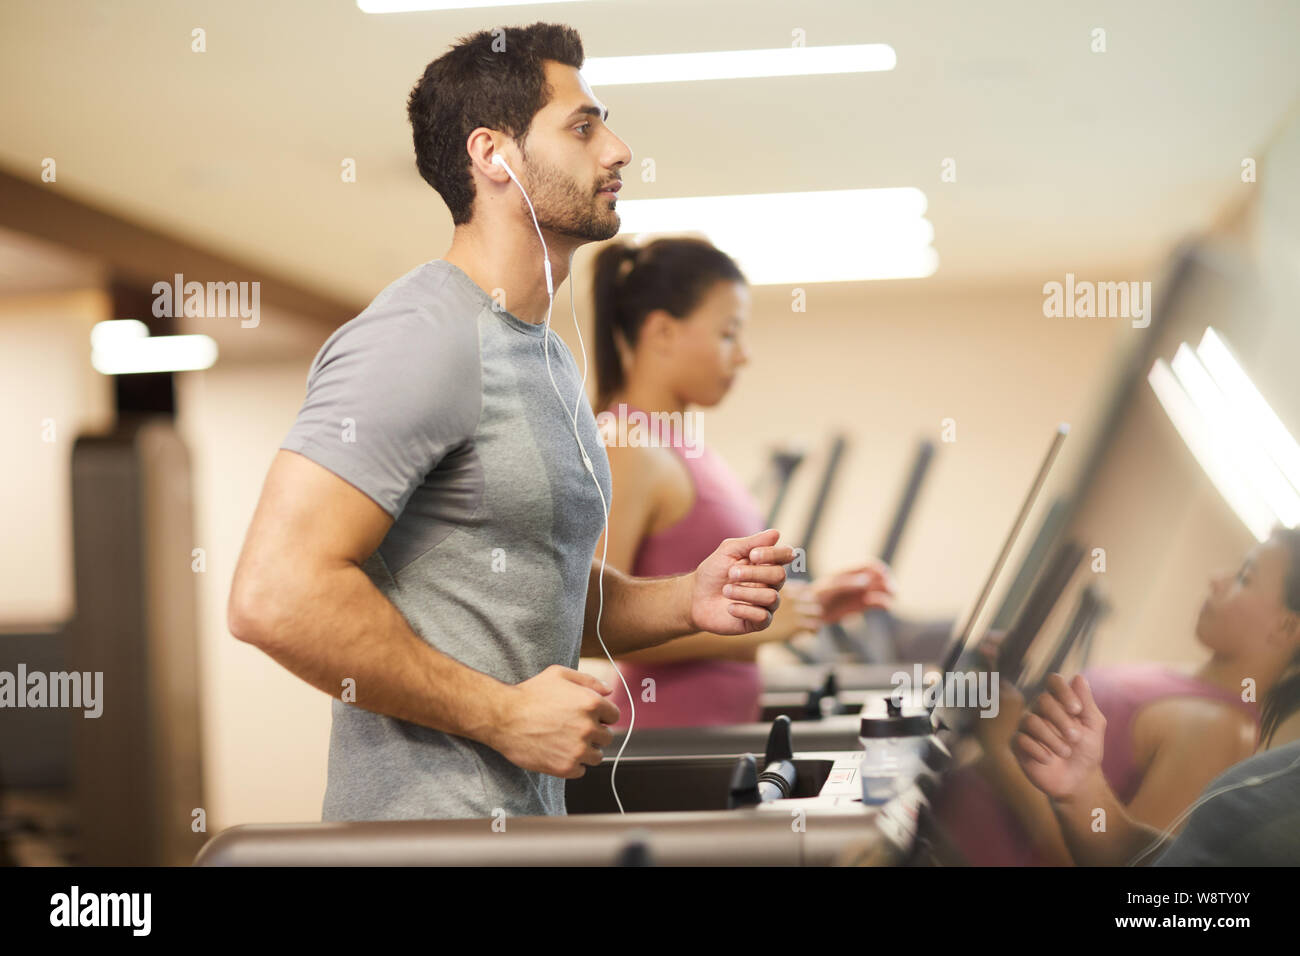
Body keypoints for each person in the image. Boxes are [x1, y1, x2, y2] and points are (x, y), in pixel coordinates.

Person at [226, 23, 794, 822]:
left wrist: (683, 599)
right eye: (583, 127)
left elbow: (538, 580)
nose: (619, 149)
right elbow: (274, 596)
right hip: (426, 834)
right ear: (494, 156)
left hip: (523, 824)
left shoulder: (546, 359)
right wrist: (500, 714)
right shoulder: (418, 337)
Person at [588, 237, 896, 728]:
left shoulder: (688, 447)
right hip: (662, 749)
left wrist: (810, 606)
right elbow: (597, 621)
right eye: (729, 334)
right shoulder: (623, 443)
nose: (744, 355)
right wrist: (765, 628)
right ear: (663, 332)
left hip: (712, 744)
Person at [934, 526, 1300, 864]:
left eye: (1244, 578)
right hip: (936, 833)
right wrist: (1015, 695)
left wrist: (1001, 746)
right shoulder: (1183, 680)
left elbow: (1120, 871)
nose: (1218, 580)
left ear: (1286, 627)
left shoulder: (1223, 731)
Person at [1014, 673, 1300, 866]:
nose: (1217, 583)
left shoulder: (1218, 727)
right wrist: (1080, 790)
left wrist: (996, 749)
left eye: (1245, 580)